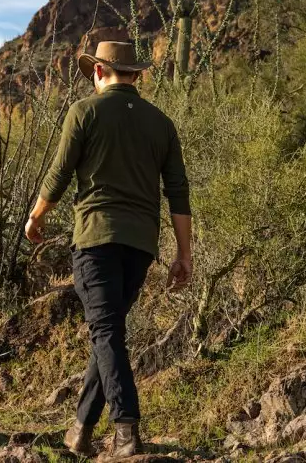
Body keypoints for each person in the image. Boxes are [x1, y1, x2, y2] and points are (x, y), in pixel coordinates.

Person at [25, 41, 193, 459]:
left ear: (99, 72)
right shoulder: (162, 123)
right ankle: (80, 430)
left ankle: (125, 429)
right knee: (110, 332)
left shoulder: (85, 111)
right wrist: (183, 254)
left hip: (96, 239)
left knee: (105, 332)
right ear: (136, 74)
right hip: (140, 246)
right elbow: (178, 193)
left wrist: (36, 215)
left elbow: (61, 171)